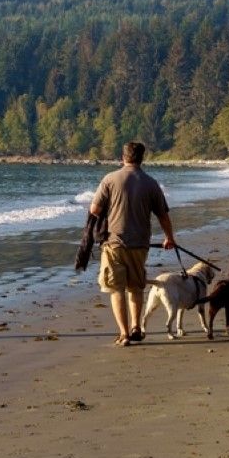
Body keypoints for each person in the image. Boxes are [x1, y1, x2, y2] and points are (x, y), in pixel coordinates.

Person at [89, 142, 176, 347]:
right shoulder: (151, 183)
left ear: (123, 157)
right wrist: (169, 238)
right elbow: (163, 215)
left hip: (114, 243)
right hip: (140, 244)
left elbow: (94, 209)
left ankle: (124, 333)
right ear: (142, 158)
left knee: (116, 288)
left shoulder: (110, 179)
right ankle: (137, 326)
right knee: (136, 287)